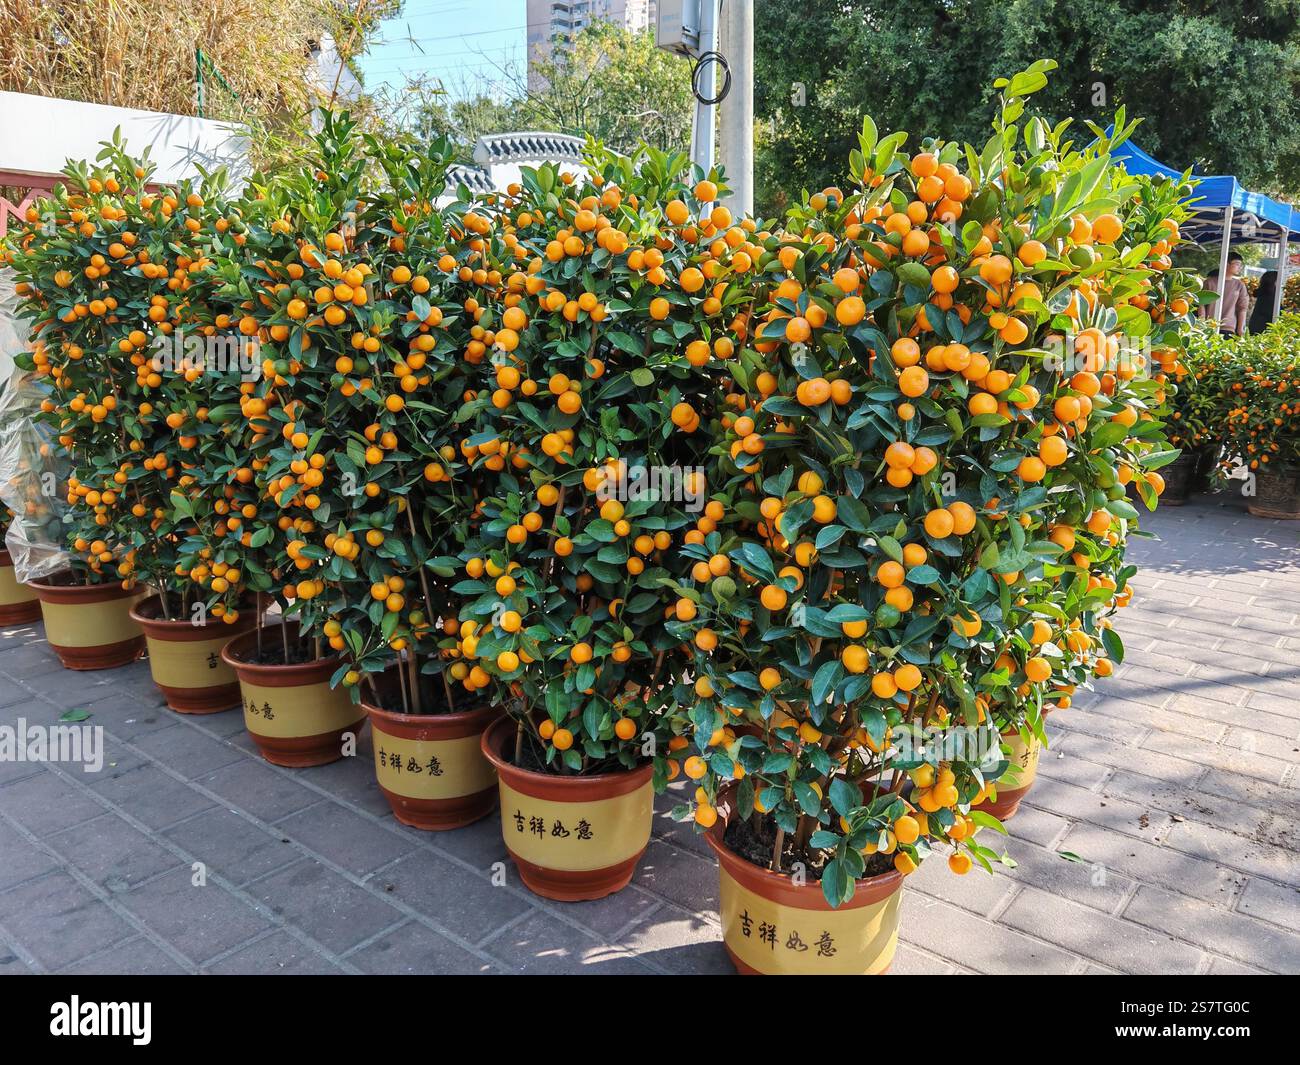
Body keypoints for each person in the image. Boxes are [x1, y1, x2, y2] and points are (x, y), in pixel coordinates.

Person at [1201, 251, 1249, 336]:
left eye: (1241, 265)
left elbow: (1242, 308)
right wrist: (1201, 324)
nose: (1240, 267)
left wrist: (1240, 330)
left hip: (1229, 328)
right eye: (1237, 264)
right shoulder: (1209, 282)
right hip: (1209, 327)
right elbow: (1201, 304)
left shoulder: (1239, 285)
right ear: (1226, 264)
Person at [1248, 269, 1278, 335]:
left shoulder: (1261, 293)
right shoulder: (1272, 296)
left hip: (1255, 326)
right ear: (1274, 281)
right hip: (1265, 328)